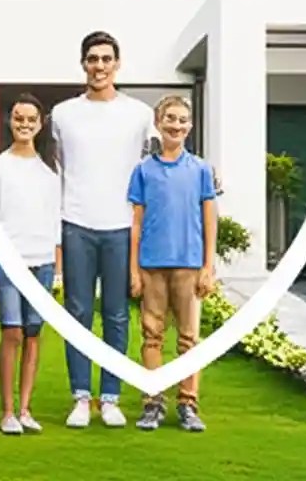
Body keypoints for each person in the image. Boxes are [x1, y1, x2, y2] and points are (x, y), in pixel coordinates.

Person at [51, 30, 159, 429]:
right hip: (77, 223)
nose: (99, 66)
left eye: (106, 59)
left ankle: (110, 397)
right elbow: (62, 166)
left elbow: (149, 172)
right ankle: (81, 396)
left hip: (120, 227)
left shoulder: (139, 114)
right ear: (83, 64)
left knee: (116, 315)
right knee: (77, 313)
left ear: (117, 63)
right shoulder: (63, 114)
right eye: (92, 59)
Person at [128, 94, 216, 433]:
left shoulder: (201, 170)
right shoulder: (143, 171)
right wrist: (134, 269)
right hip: (152, 265)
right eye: (170, 119)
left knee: (188, 339)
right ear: (158, 122)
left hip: (189, 264)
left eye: (182, 120)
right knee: (152, 336)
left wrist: (208, 266)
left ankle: (188, 403)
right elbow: (136, 223)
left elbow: (210, 221)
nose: (176, 125)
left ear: (190, 126)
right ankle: (152, 402)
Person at [0, 94, 62, 435]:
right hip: (9, 262)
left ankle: (26, 409)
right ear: (10, 121)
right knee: (11, 332)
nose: (24, 124)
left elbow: (55, 222)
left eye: (31, 119)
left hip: (42, 261)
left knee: (33, 335)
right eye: (18, 118)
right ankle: (7, 411)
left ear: (40, 124)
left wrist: (58, 269)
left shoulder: (50, 172)